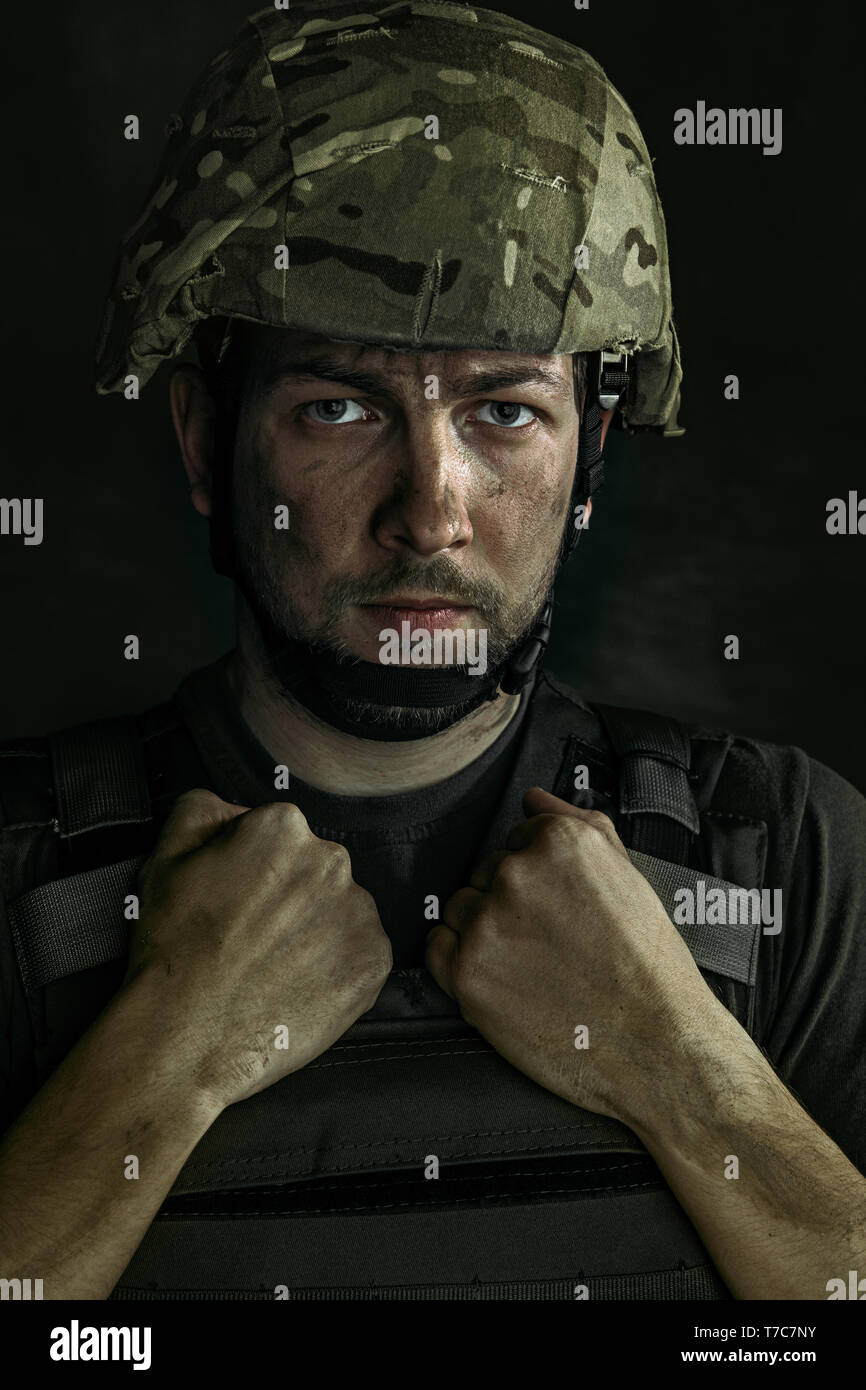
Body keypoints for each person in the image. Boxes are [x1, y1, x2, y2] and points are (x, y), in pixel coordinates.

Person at [0, 0, 863, 1302]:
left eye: (503, 409)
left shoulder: (781, 854)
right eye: (338, 405)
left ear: (590, 457)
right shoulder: (18, 870)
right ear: (202, 443)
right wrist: (153, 1064)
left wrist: (686, 1072)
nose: (432, 509)